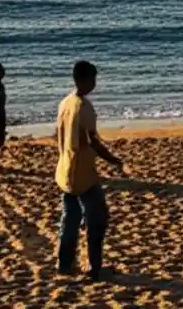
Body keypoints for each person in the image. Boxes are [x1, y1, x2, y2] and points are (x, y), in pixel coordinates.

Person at [55, 60, 123, 281]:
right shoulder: (84, 108)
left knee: (70, 219)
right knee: (97, 220)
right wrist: (113, 160)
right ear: (84, 80)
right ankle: (94, 267)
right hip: (84, 174)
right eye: (93, 80)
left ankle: (64, 264)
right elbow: (93, 141)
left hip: (66, 170)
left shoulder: (65, 103)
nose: (95, 84)